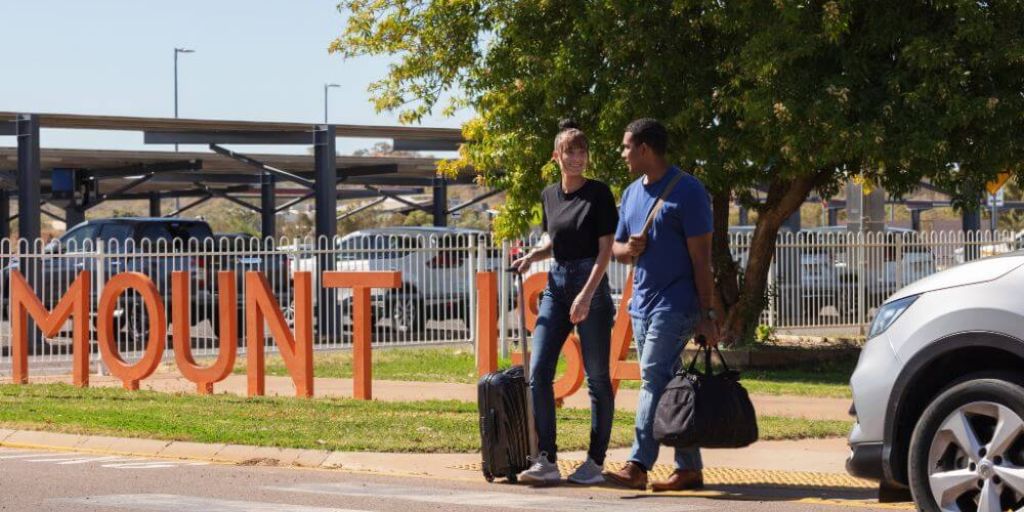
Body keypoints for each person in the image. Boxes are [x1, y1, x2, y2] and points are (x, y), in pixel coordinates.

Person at [603, 118, 720, 492]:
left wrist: (708, 314)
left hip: (677, 303)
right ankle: (689, 468)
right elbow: (616, 248)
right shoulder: (631, 194)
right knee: (668, 382)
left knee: (653, 374)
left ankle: (638, 464)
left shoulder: (689, 192)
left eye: (626, 147)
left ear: (645, 149)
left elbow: (703, 261)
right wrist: (628, 249)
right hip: (642, 304)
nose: (622, 154)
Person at [511, 120, 618, 486]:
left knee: (597, 377)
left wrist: (586, 295)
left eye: (582, 151)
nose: (576, 158)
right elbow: (556, 240)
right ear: (556, 156)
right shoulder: (549, 195)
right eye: (570, 151)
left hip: (592, 285)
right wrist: (532, 256)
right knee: (538, 370)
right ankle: (546, 459)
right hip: (556, 284)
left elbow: (605, 251)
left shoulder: (599, 194)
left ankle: (595, 462)